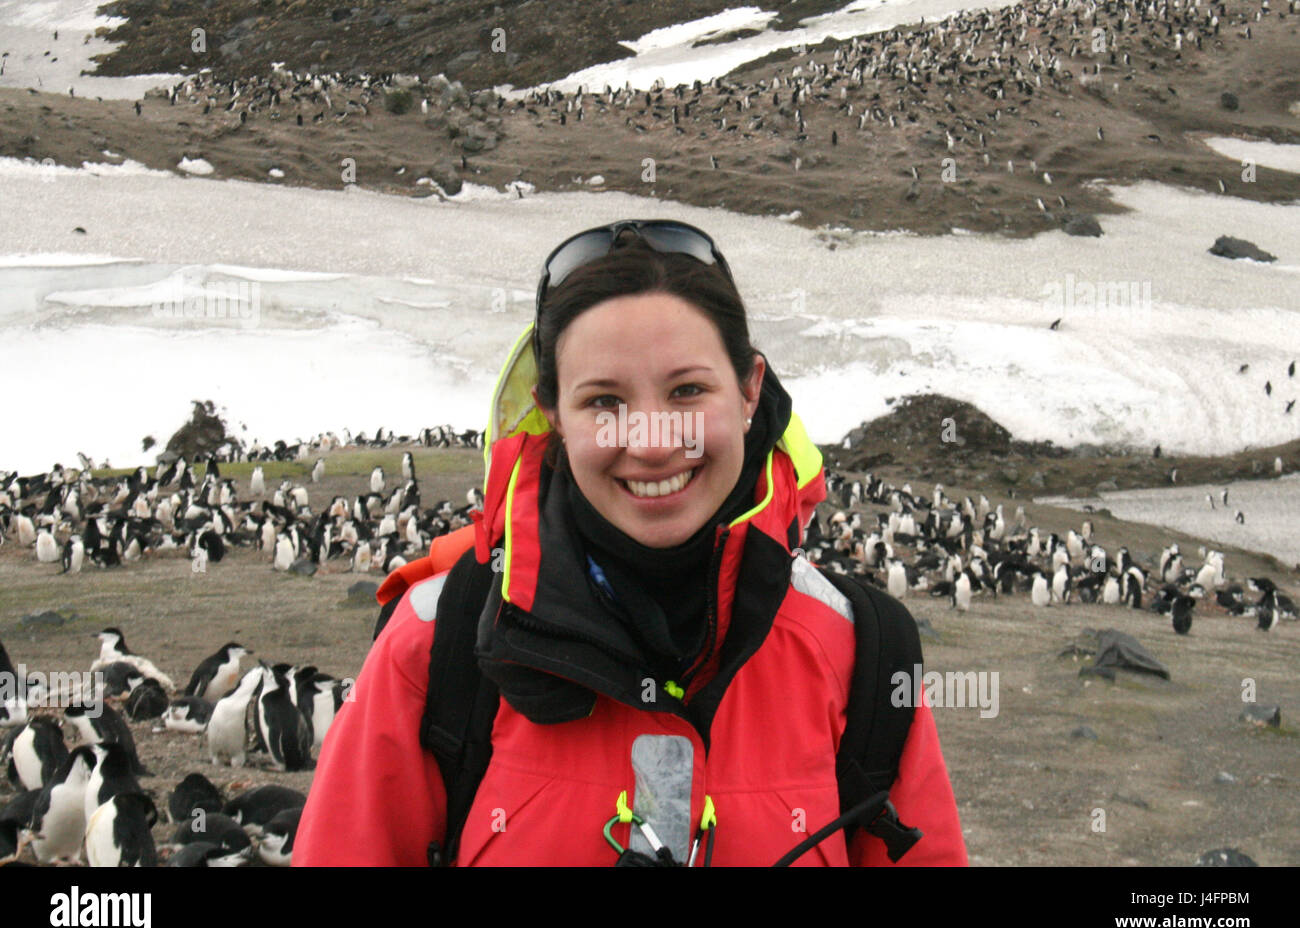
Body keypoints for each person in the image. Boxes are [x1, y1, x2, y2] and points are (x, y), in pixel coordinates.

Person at [294, 219, 967, 866]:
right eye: (604, 402)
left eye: (687, 390)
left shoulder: (863, 657)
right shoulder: (437, 646)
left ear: (749, 390)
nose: (649, 442)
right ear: (553, 413)